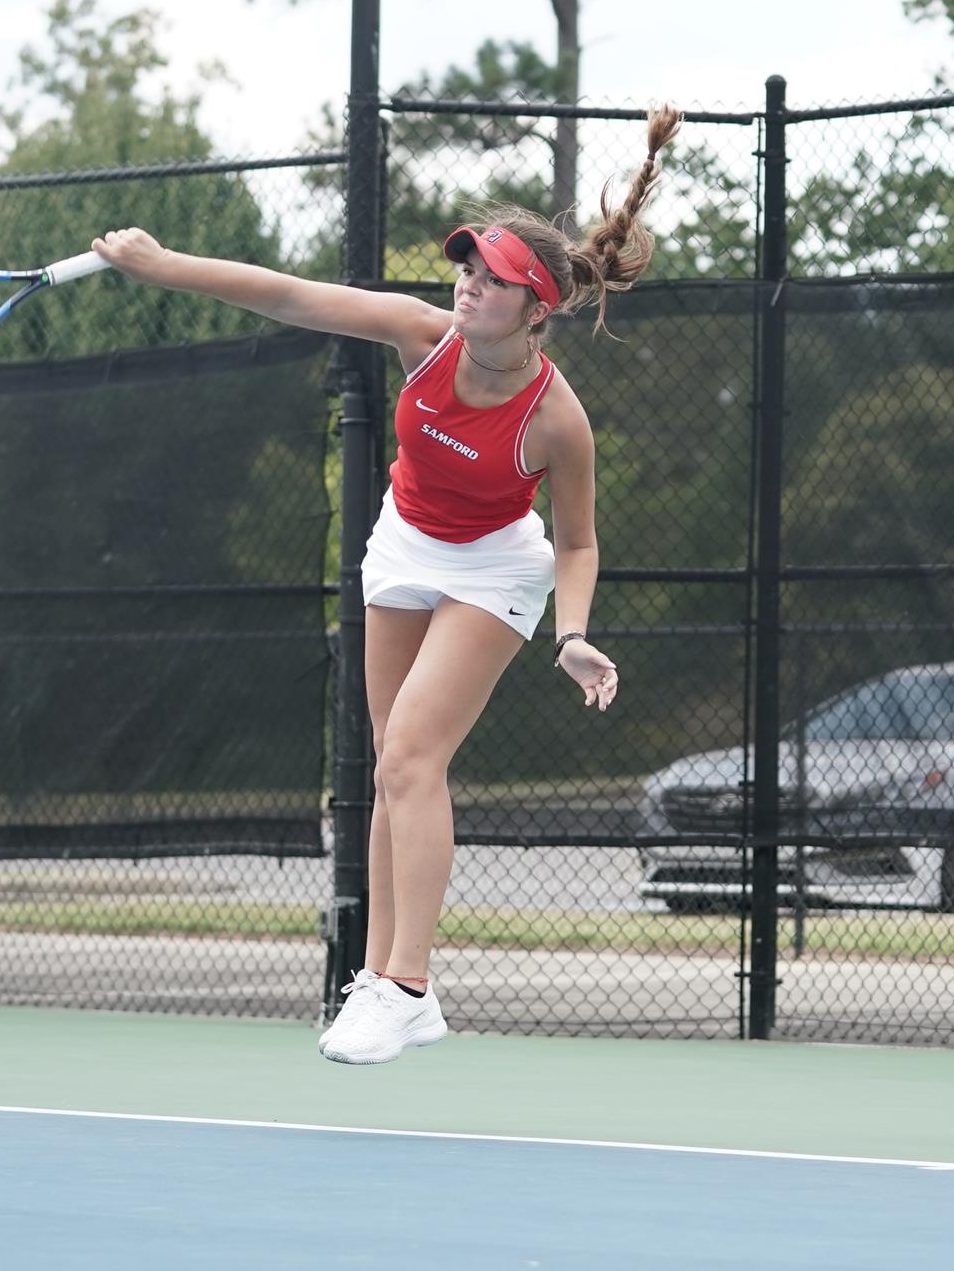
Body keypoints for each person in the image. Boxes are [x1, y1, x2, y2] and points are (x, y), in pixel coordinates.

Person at [92, 104, 681, 1064]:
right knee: (389, 768)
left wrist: (572, 634)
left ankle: (409, 985)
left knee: (412, 754)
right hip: (403, 543)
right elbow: (293, 295)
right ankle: (378, 979)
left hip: (496, 567)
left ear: (537, 310)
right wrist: (164, 266)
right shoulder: (423, 334)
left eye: (493, 280)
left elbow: (577, 543)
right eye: (467, 268)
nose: (469, 285)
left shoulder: (556, 420)